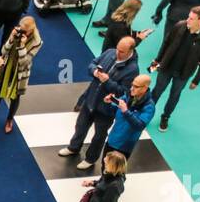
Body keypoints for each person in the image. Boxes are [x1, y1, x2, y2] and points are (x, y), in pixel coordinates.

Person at [58, 36, 139, 170]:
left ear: (131, 51)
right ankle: (73, 147)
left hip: (106, 109)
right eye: (118, 48)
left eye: (122, 51)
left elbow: (124, 92)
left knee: (99, 136)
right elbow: (92, 64)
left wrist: (107, 82)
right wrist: (95, 71)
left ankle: (90, 158)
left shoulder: (133, 69)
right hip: (91, 99)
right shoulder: (110, 52)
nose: (117, 53)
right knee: (80, 126)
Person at [149, 5, 200, 130]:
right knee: (157, 91)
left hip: (184, 73)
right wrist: (157, 60)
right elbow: (166, 43)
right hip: (167, 67)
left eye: (191, 19)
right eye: (188, 17)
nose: (188, 20)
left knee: (174, 95)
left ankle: (165, 117)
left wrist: (196, 80)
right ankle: (146, 112)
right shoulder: (179, 26)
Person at [0, 15, 41, 133]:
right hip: (7, 67)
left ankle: (9, 120)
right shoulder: (16, 32)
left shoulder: (37, 42)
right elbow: (3, 51)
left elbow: (24, 62)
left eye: (24, 30)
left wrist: (22, 45)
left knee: (15, 96)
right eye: (20, 27)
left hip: (20, 72)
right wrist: (11, 39)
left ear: (31, 30)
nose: (21, 30)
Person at [104, 74, 155, 161]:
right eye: (132, 85)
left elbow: (139, 126)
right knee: (104, 166)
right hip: (112, 139)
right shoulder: (127, 96)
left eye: (136, 86)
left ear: (145, 88)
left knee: (116, 172)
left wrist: (126, 111)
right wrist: (109, 103)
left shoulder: (149, 107)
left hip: (123, 146)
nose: (131, 88)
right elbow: (112, 110)